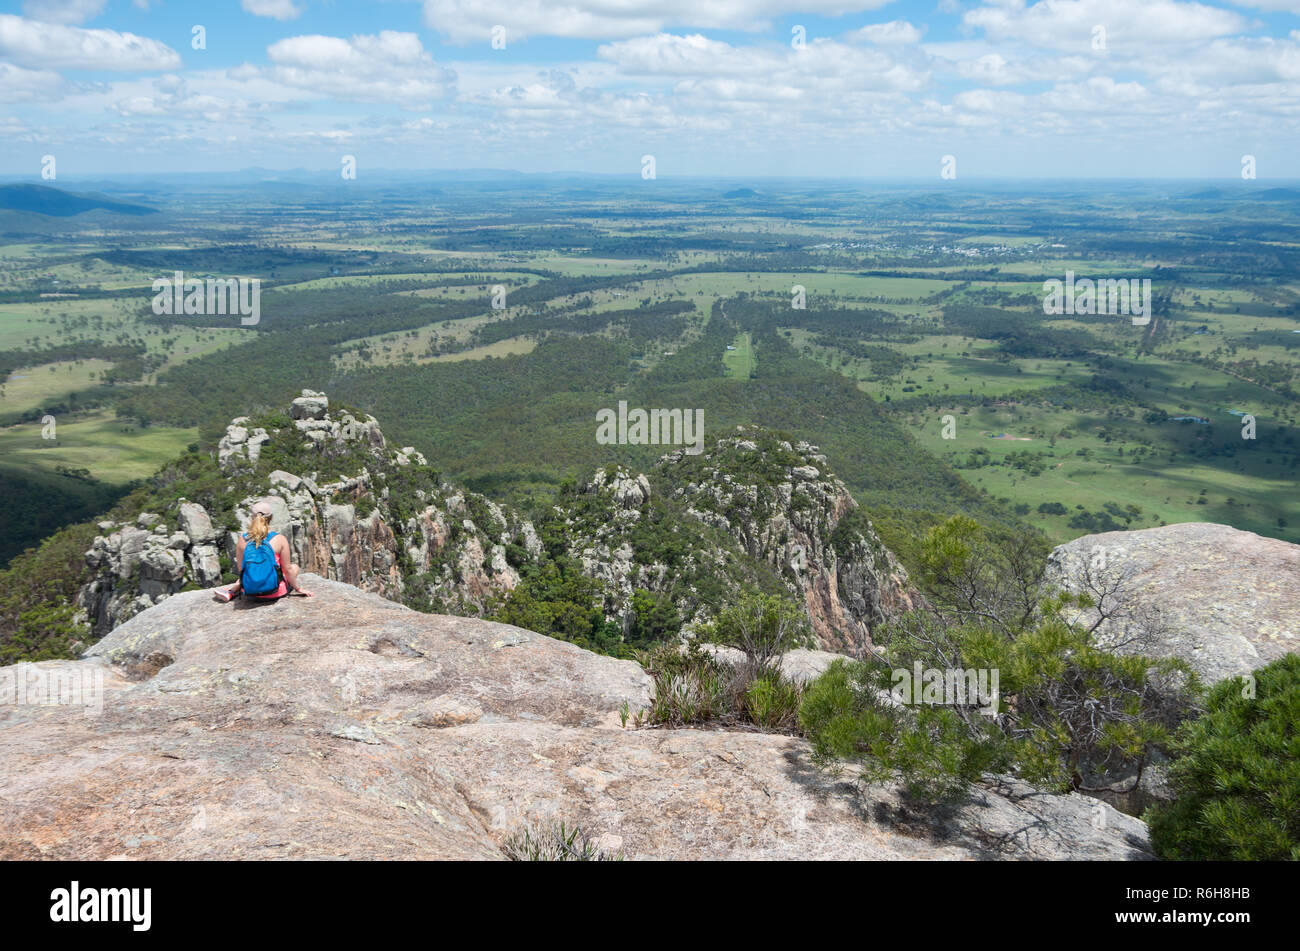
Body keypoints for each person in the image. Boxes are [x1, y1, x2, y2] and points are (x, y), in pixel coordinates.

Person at [214, 500, 313, 601]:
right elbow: (287, 570)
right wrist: (298, 588)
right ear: (271, 517)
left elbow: (242, 570)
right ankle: (233, 590)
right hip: (274, 592)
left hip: (250, 593)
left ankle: (232, 591)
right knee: (294, 567)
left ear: (252, 517)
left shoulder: (242, 539)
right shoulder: (279, 539)